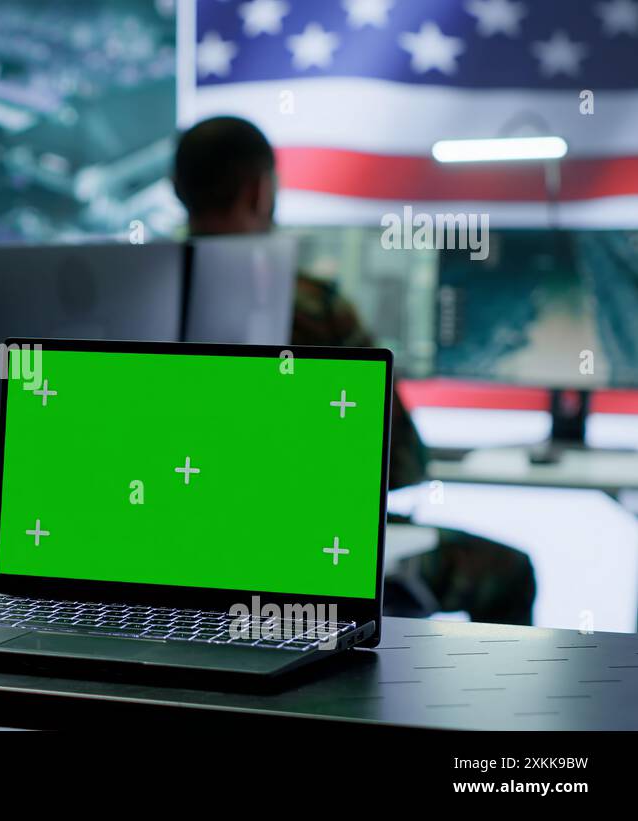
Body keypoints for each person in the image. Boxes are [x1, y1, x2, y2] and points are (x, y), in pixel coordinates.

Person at [172, 116, 535, 625]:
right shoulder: (310, 305)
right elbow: (401, 462)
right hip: (308, 546)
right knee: (511, 571)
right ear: (259, 191)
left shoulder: (136, 290)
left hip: (173, 544)